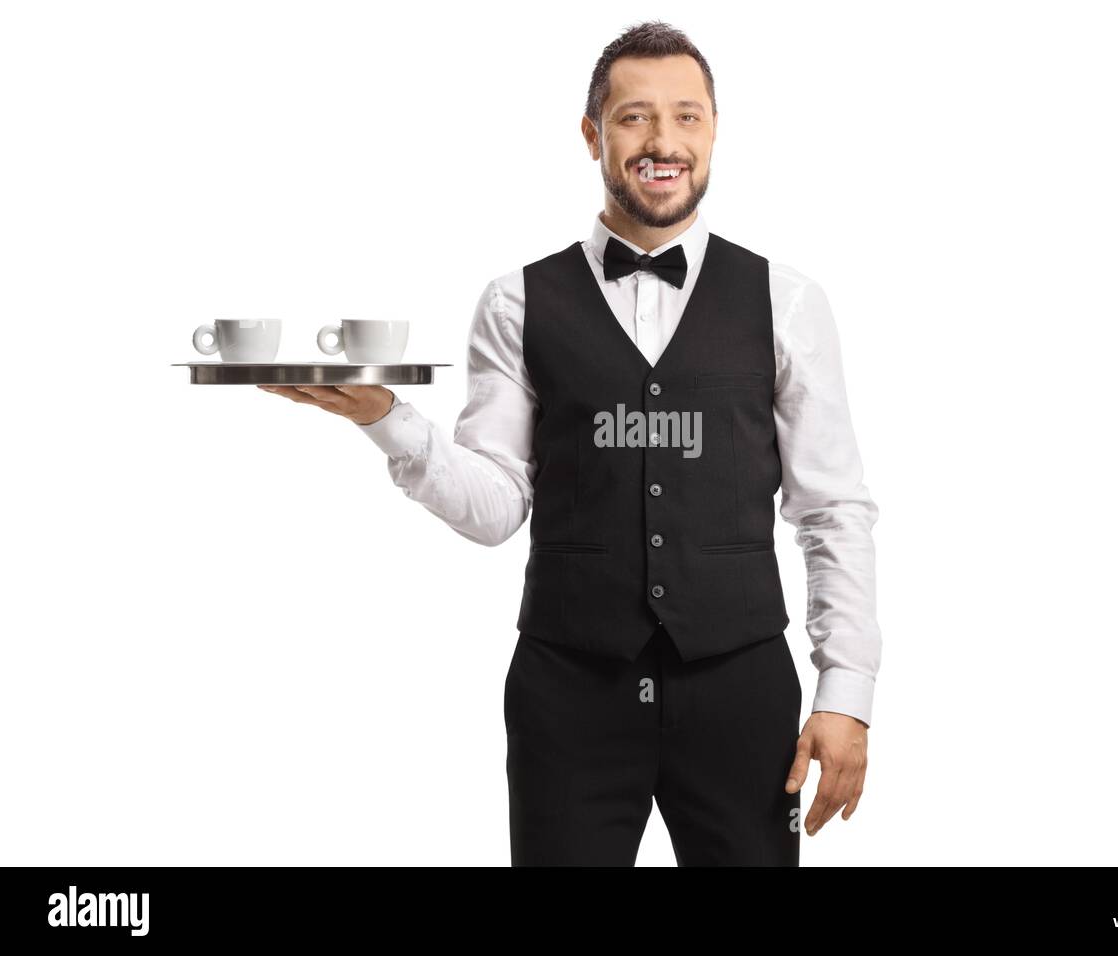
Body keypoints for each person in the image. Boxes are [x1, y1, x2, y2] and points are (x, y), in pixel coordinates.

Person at [260, 20, 881, 866]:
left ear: (714, 129)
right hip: (569, 693)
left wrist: (846, 692)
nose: (664, 142)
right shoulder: (516, 302)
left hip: (740, 688)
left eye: (688, 117)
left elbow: (831, 509)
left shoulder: (788, 302)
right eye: (634, 117)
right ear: (592, 134)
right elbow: (493, 509)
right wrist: (384, 418)